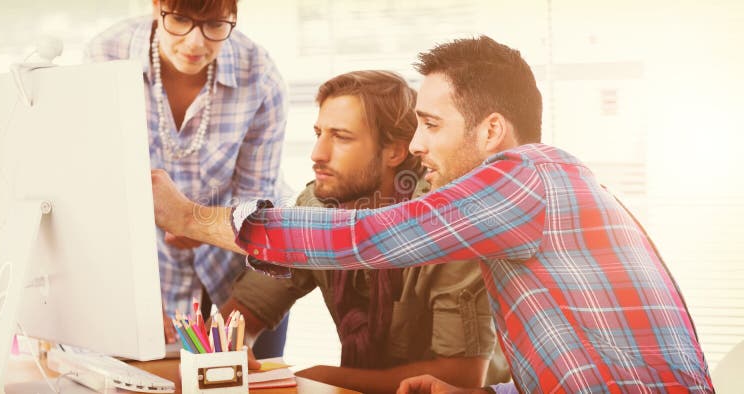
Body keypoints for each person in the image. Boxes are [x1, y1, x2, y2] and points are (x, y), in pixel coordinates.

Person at [150, 36, 713, 392]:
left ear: (492, 130)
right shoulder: (534, 200)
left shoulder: (526, 176)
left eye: (432, 125)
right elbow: (570, 366)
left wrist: (188, 217)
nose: (417, 145)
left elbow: (363, 239)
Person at [222, 70, 507, 393]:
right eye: (319, 133)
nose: (317, 154)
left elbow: (461, 377)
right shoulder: (316, 207)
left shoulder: (449, 223)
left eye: (341, 137)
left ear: (395, 152)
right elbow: (246, 310)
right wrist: (231, 346)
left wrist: (323, 378)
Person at [85, 0, 289, 355]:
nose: (195, 42)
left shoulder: (260, 76)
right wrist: (133, 295)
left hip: (238, 266)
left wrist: (197, 223)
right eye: (179, 19)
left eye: (214, 24)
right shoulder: (106, 58)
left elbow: (255, 202)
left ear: (234, 17)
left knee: (251, 374)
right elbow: (96, 189)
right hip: (148, 268)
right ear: (156, 7)